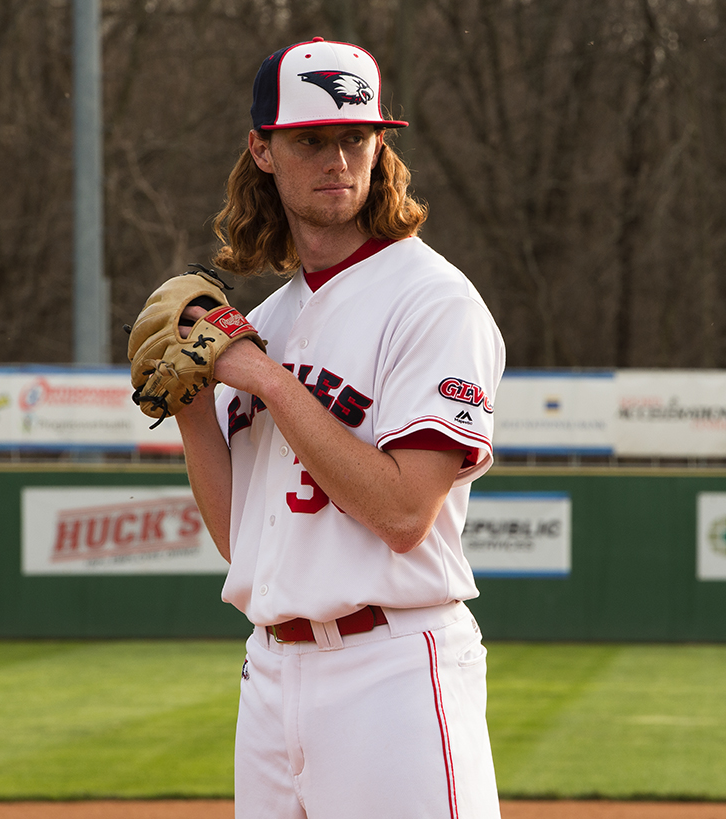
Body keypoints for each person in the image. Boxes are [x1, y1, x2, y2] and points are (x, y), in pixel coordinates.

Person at [174, 37, 504, 819]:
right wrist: (192, 407)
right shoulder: (267, 321)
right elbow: (244, 542)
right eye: (309, 140)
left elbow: (401, 513)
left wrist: (264, 380)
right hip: (271, 671)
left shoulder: (432, 300)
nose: (337, 159)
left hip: (392, 672)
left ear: (379, 145)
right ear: (263, 150)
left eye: (355, 136)